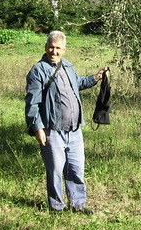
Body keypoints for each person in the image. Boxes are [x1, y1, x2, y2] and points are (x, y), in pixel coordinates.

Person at [25, 31, 108, 214]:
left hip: (74, 129)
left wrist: (95, 77)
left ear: (64, 49)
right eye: (51, 47)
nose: (53, 51)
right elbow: (32, 103)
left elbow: (77, 83)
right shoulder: (38, 71)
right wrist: (37, 127)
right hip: (52, 130)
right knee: (55, 171)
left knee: (76, 169)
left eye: (58, 48)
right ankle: (57, 207)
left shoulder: (68, 66)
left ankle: (78, 204)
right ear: (46, 47)